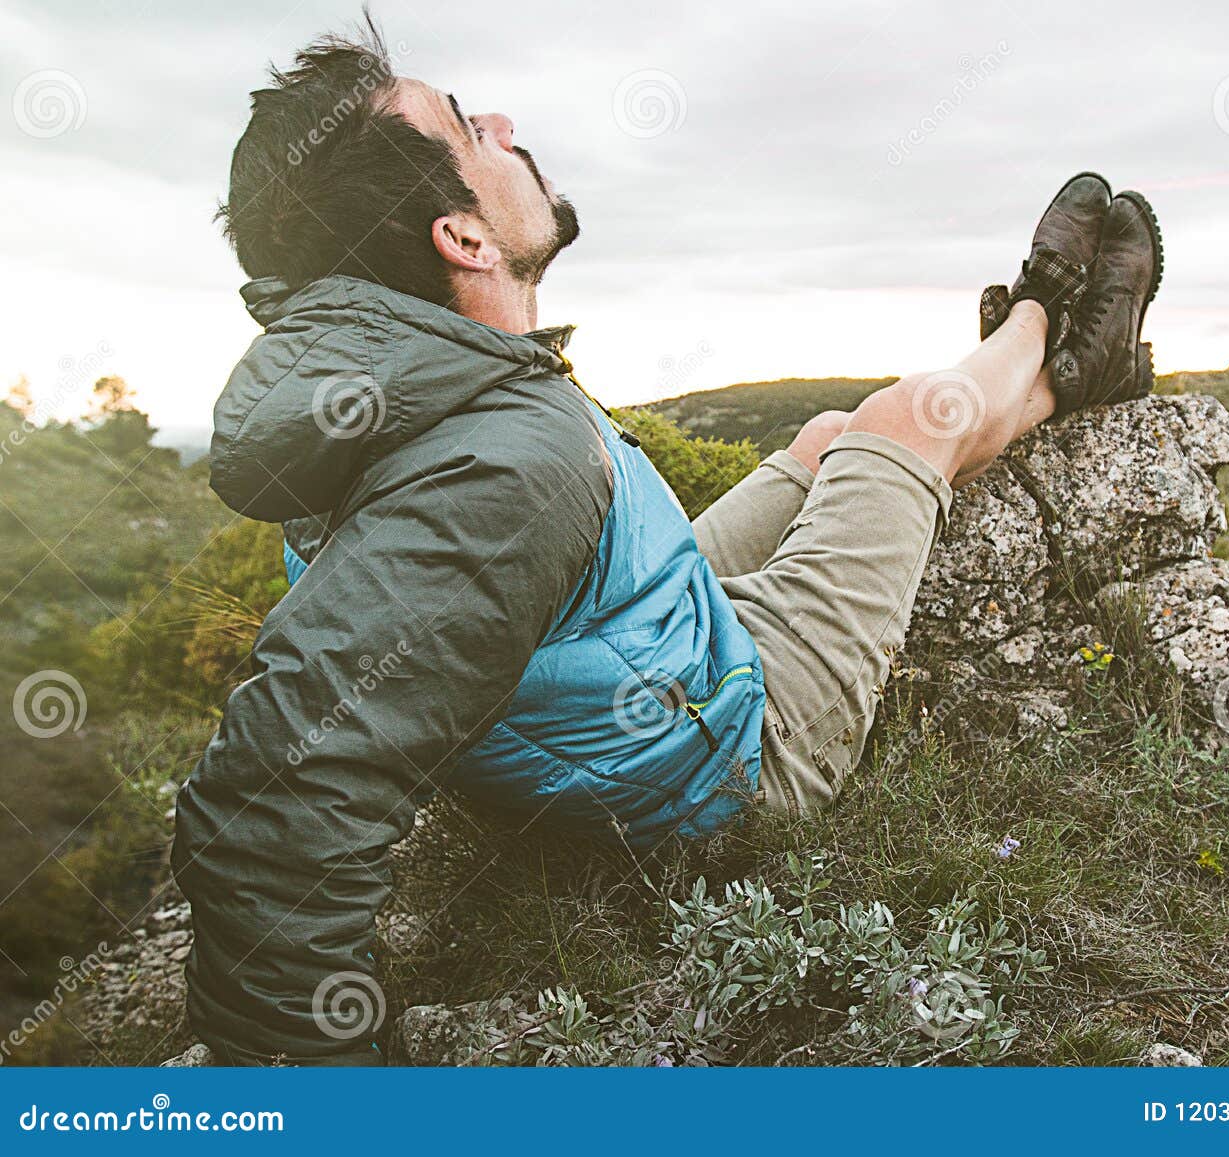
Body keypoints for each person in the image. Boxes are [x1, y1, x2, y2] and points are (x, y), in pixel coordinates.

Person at [171, 18, 1161, 1064]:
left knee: (828, 437)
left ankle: (1051, 354)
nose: (505, 121)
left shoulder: (414, 388)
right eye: (470, 127)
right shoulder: (513, 463)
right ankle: (1051, 329)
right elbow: (272, 806)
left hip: (627, 655)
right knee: (909, 418)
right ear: (461, 240)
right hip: (730, 759)